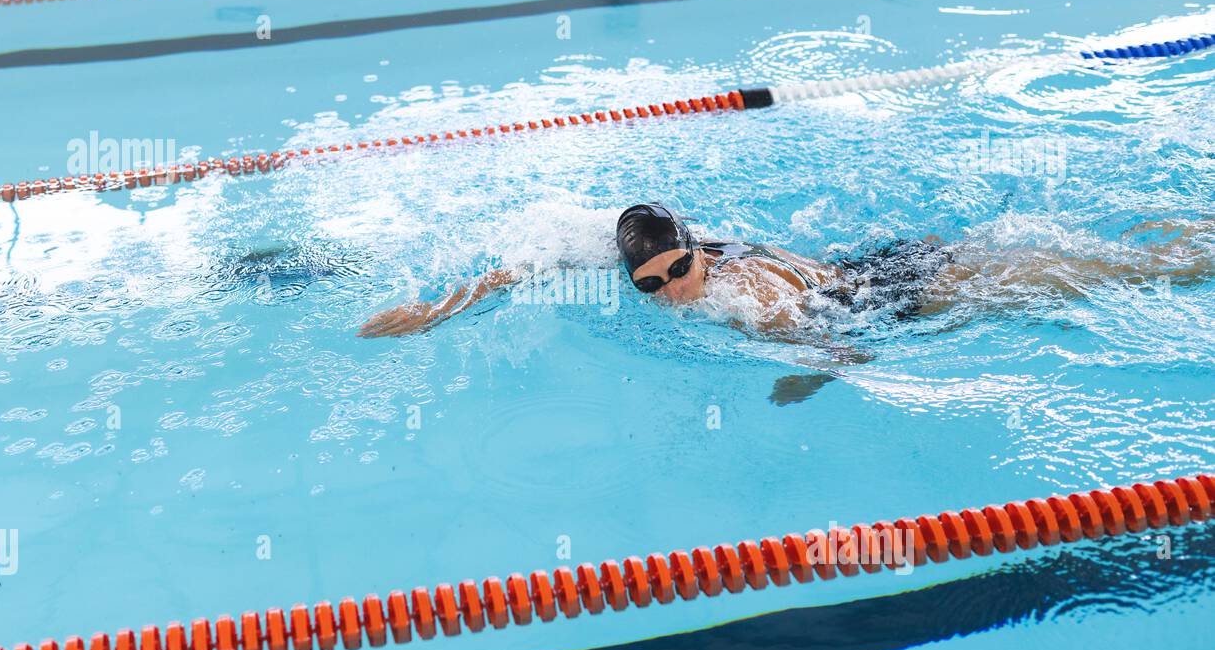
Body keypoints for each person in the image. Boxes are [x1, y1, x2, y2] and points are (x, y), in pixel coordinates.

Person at [357, 202, 1213, 399]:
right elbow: (523, 267)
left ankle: (1190, 245)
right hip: (864, 269)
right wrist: (435, 311)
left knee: (1115, 275)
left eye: (678, 272)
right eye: (651, 285)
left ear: (698, 252)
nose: (670, 293)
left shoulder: (746, 298)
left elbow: (844, 343)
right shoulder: (642, 251)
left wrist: (813, 374)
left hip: (908, 291)